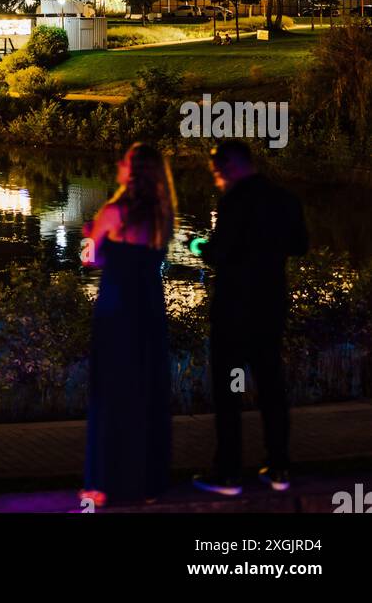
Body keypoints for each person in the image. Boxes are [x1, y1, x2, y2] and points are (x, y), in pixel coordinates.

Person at [193, 139, 308, 497]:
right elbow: (300, 245)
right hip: (270, 307)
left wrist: (200, 247)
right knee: (271, 387)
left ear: (233, 165)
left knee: (229, 391)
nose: (216, 173)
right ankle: (279, 467)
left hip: (234, 311)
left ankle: (228, 472)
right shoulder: (285, 199)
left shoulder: (235, 201)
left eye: (218, 166)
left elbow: (218, 253)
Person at [80, 143, 176, 507]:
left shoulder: (114, 211)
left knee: (109, 391)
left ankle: (102, 482)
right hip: (149, 308)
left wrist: (88, 235)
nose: (118, 164)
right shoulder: (163, 214)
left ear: (131, 171)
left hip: (117, 308)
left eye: (123, 161)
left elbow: (91, 259)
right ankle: (149, 482)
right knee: (146, 390)